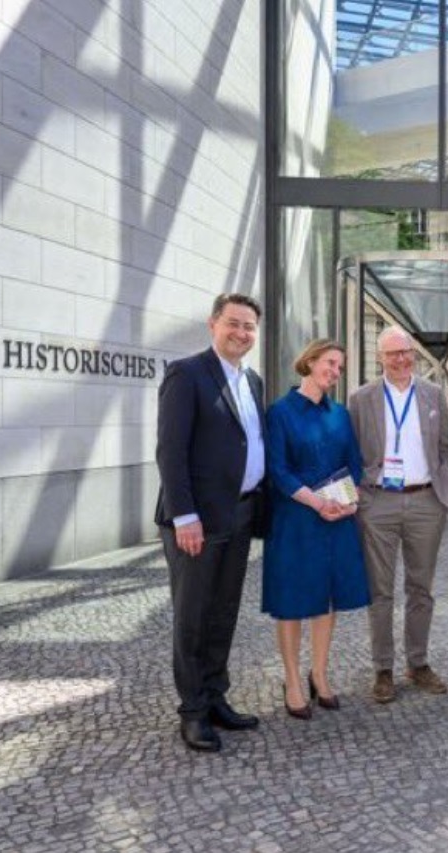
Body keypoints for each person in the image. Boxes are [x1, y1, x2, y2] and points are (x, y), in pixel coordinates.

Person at [155, 292, 267, 753]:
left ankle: (216, 696)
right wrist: (185, 516)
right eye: (234, 323)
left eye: (249, 327)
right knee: (193, 616)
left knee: (222, 612)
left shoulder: (253, 380)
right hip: (197, 520)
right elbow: (171, 451)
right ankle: (193, 711)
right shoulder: (187, 373)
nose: (242, 333)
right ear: (213, 324)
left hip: (240, 514)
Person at [349, 326, 448, 704]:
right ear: (380, 357)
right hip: (378, 502)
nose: (400, 359)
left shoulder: (432, 395)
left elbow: (445, 445)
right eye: (392, 353)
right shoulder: (361, 398)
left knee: (421, 588)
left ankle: (418, 662)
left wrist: (443, 490)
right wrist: (362, 495)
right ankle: (383, 668)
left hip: (426, 501)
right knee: (380, 590)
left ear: (414, 354)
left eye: (406, 352)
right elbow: (353, 452)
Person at [262, 340, 370, 720]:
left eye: (340, 367)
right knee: (292, 601)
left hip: (337, 518)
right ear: (308, 362)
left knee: (328, 598)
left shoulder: (340, 414)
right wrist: (316, 501)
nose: (335, 372)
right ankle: (292, 679)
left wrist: (349, 500)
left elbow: (353, 464)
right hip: (296, 519)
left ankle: (319, 673)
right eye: (330, 363)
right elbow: (277, 468)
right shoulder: (280, 412)